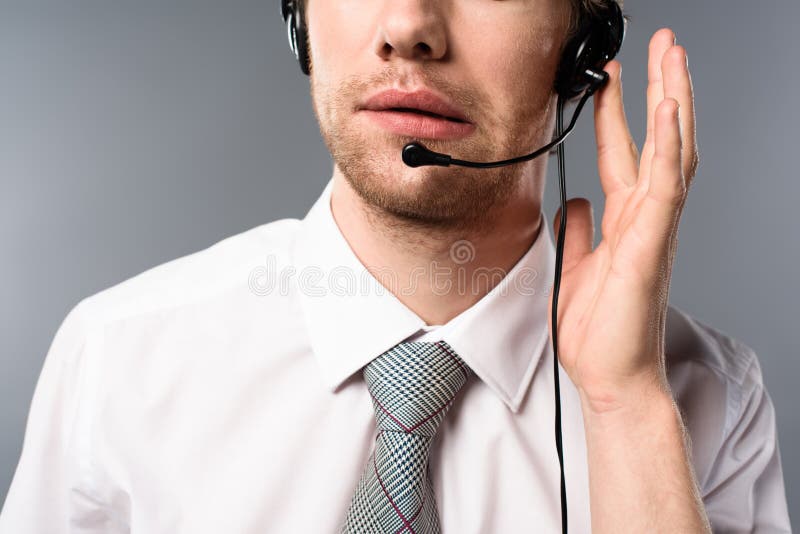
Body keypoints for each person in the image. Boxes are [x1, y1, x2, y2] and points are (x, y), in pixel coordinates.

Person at [0, 0, 792, 532]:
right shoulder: (114, 360)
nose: (411, 26)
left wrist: (624, 410)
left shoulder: (706, 405)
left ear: (583, 45)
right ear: (299, 18)